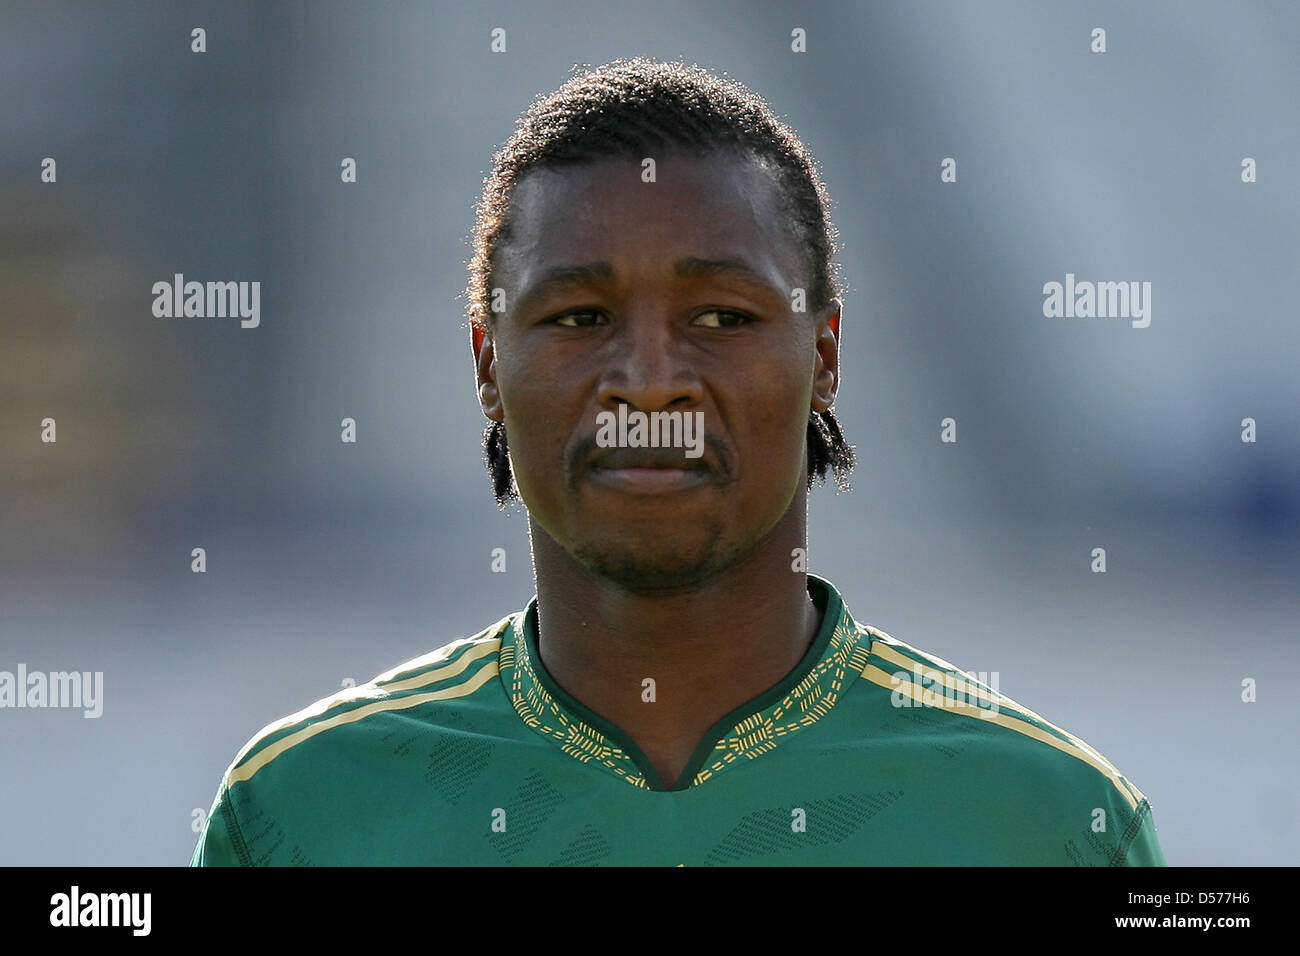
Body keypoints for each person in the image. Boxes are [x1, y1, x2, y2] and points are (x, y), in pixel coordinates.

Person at [191, 57, 1165, 865]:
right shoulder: (299, 814)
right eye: (580, 318)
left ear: (824, 357)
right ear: (489, 365)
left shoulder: (1054, 822)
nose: (650, 382)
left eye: (720, 317)